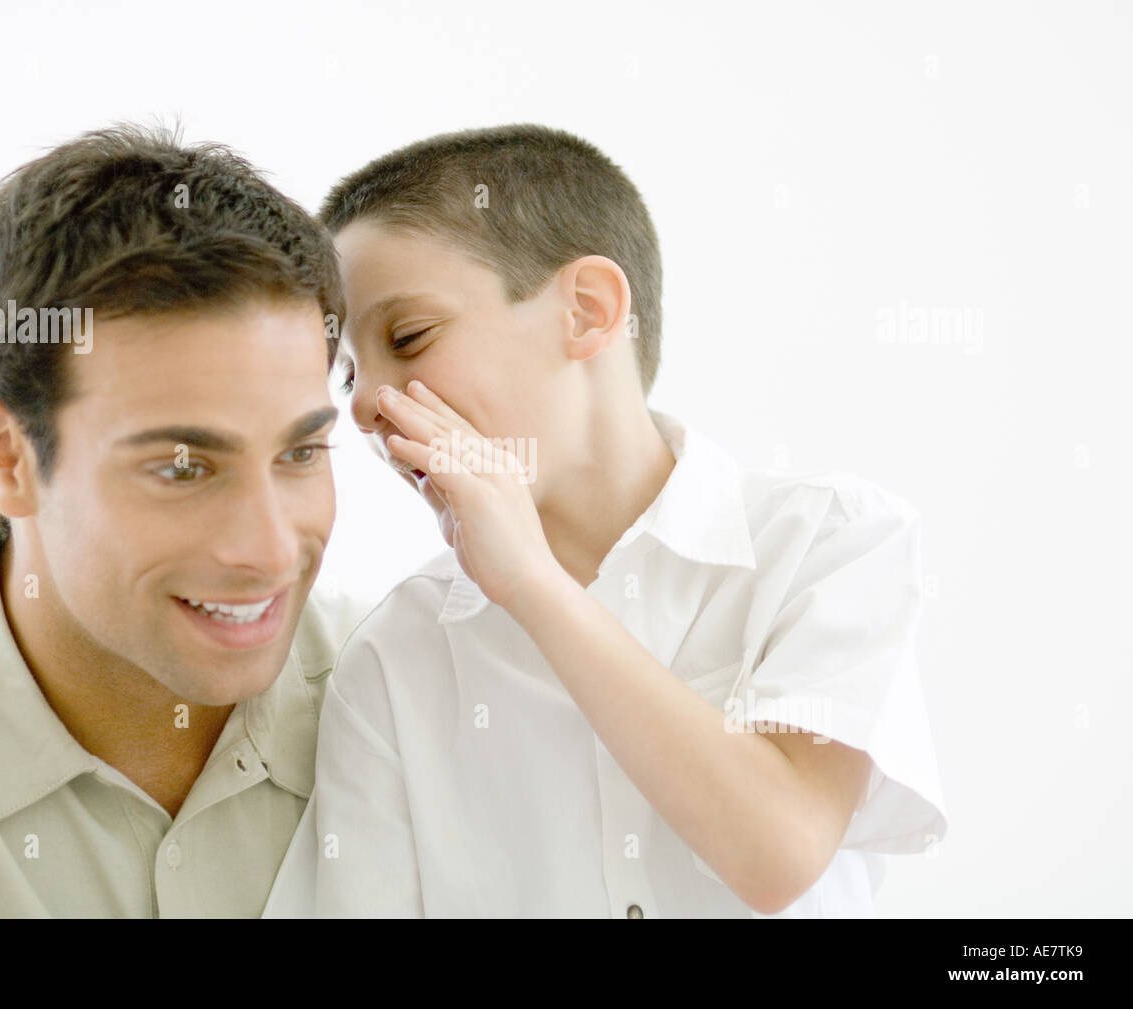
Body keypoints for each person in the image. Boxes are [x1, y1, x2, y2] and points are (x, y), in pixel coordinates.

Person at [265, 123, 947, 917]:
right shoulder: (394, 657)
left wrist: (533, 584)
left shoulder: (826, 543)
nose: (363, 405)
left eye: (408, 337)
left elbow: (779, 851)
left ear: (588, 311)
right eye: (348, 369)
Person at [0, 124, 367, 917]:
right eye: (184, 467)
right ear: (2, 453)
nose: (270, 549)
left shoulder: (397, 694)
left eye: (301, 452)